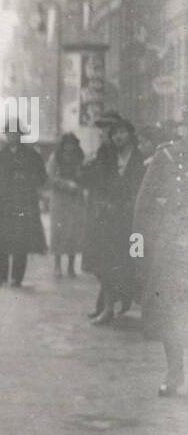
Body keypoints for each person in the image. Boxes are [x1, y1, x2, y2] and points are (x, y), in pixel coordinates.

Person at [131, 122, 188, 396]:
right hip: (174, 247)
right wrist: (139, 247)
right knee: (172, 311)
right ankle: (174, 371)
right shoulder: (166, 157)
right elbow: (143, 204)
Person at [81, 112, 145, 324]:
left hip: (134, 223)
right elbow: (99, 183)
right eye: (114, 133)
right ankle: (107, 309)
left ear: (130, 134)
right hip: (110, 220)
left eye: (122, 132)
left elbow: (143, 188)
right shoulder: (108, 157)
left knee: (136, 261)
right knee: (107, 263)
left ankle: (132, 304)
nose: (118, 137)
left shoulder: (140, 158)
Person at [0, 130, 47, 287]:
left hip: (23, 203)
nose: (12, 136)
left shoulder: (31, 155)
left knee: (21, 240)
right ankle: (1, 276)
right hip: (3, 204)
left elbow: (42, 177)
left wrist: (28, 180)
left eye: (15, 133)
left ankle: (16, 277)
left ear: (21, 135)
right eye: (9, 133)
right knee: (0, 240)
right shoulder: (0, 156)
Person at [46, 133, 85, 277]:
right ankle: (57, 265)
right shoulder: (55, 157)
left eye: (72, 144)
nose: (70, 147)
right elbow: (49, 177)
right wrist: (64, 184)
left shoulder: (80, 157)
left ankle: (71, 266)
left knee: (73, 232)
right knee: (58, 231)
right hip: (59, 199)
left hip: (75, 199)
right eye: (67, 144)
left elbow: (84, 174)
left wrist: (79, 183)